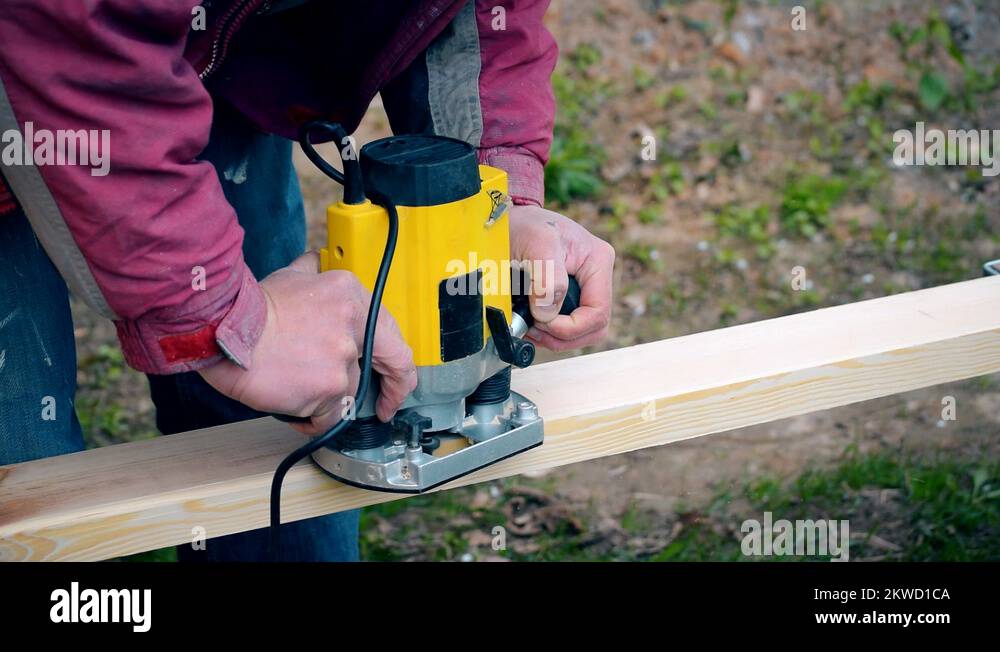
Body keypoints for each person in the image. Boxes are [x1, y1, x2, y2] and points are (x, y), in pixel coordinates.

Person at [0, 0, 615, 560]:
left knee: (281, 419)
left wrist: (489, 194)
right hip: (45, 56)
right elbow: (67, 34)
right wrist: (218, 315)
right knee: (26, 495)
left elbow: (480, 10)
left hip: (213, 56)